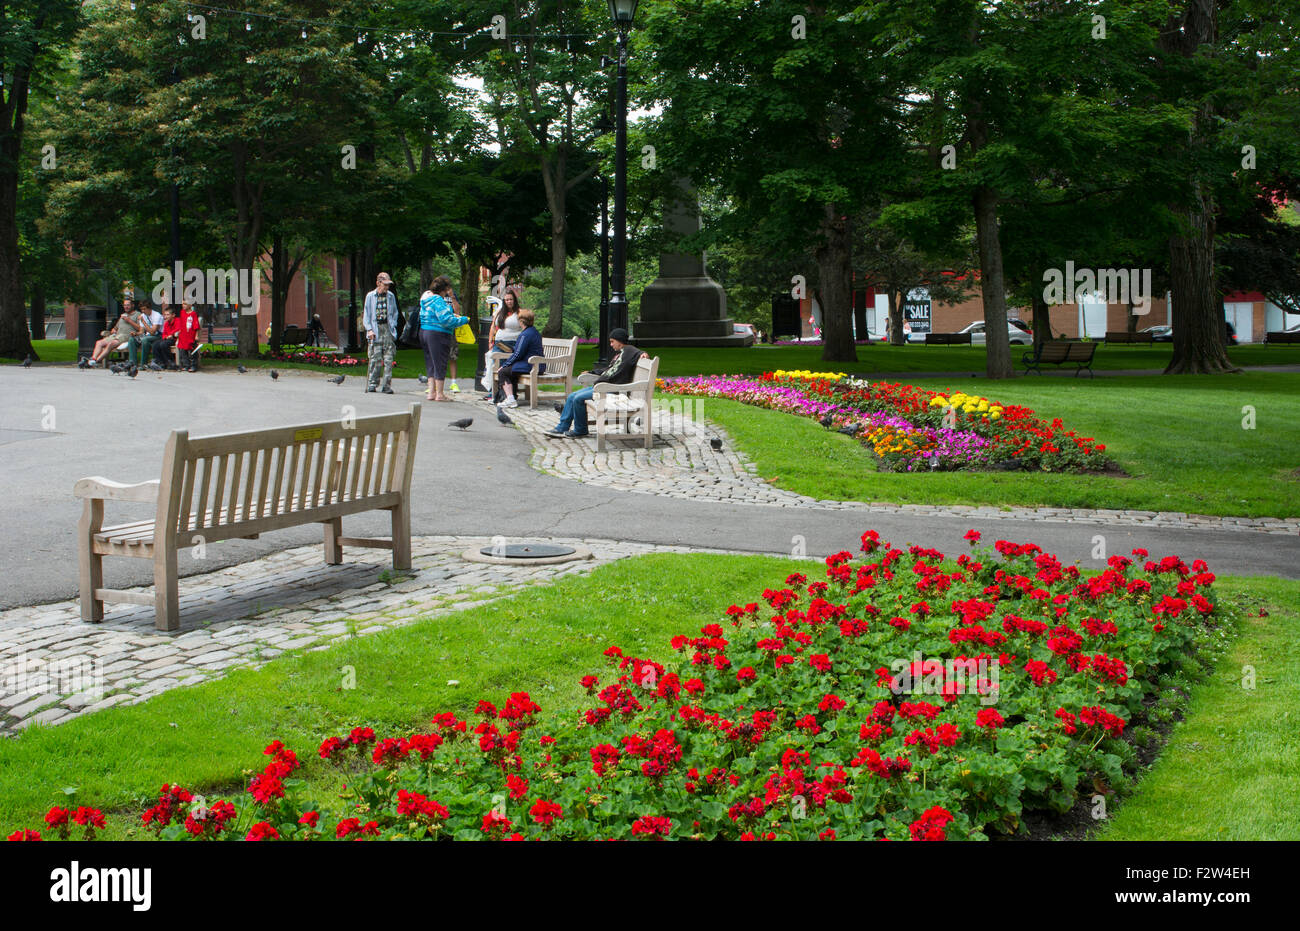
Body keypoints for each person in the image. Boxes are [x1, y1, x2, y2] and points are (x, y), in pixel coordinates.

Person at [544, 328, 644, 438]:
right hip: (603, 387)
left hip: (611, 390)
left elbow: (638, 352)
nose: (611, 345)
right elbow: (608, 370)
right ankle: (562, 427)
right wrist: (592, 372)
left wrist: (643, 354)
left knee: (578, 398)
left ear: (620, 340)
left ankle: (580, 430)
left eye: (612, 341)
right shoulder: (621, 354)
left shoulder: (629, 350)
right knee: (572, 396)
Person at [419, 276, 469, 402]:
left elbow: (433, 315)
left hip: (424, 332)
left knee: (430, 363)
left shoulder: (426, 299)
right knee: (440, 363)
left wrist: (451, 315)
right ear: (444, 289)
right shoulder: (438, 300)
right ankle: (440, 394)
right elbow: (446, 320)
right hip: (437, 334)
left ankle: (431, 392)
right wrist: (463, 320)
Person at [494, 309, 543, 408]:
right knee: (511, 370)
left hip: (532, 365)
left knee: (503, 372)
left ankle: (511, 400)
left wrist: (504, 365)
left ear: (521, 321)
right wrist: (511, 349)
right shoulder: (533, 331)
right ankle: (511, 396)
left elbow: (518, 354)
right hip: (536, 364)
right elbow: (522, 350)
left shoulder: (525, 334)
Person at [483, 290, 524, 400]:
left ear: (514, 300)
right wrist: (490, 341)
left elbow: (525, 328)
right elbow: (493, 326)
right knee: (493, 365)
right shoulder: (500, 312)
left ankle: (506, 393)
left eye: (511, 299)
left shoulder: (520, 313)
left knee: (504, 367)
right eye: (506, 300)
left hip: (512, 344)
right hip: (498, 343)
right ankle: (493, 391)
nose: (509, 302)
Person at [364, 272, 399, 394]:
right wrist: (369, 329)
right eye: (385, 285)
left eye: (388, 285)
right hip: (375, 329)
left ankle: (386, 386)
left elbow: (395, 312)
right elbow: (366, 314)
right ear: (378, 283)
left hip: (387, 329)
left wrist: (393, 324)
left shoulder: (391, 296)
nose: (387, 287)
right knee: (375, 359)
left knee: (389, 359)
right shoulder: (370, 296)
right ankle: (372, 384)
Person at [84, 299, 143, 367]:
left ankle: (96, 361)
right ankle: (93, 358)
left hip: (127, 336)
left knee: (110, 344)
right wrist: (113, 330)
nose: (126, 307)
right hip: (116, 335)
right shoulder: (123, 315)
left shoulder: (138, 314)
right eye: (124, 305)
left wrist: (129, 321)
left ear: (132, 305)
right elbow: (116, 327)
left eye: (128, 305)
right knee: (99, 343)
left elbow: (140, 329)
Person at [129, 300, 165, 366]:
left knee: (145, 340)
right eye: (141, 309)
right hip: (148, 336)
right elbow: (142, 331)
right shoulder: (143, 315)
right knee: (132, 339)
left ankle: (143, 364)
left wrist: (143, 321)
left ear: (149, 308)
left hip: (158, 336)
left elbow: (152, 332)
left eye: (144, 309)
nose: (143, 311)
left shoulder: (157, 316)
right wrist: (136, 334)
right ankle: (132, 363)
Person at [176, 301, 201, 372]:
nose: (183, 305)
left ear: (190, 305)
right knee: (183, 351)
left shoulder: (193, 314)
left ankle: (193, 365)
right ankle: (186, 365)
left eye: (185, 304)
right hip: (183, 335)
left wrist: (196, 335)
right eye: (182, 304)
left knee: (192, 352)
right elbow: (181, 324)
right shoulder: (182, 312)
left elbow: (196, 326)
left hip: (190, 336)